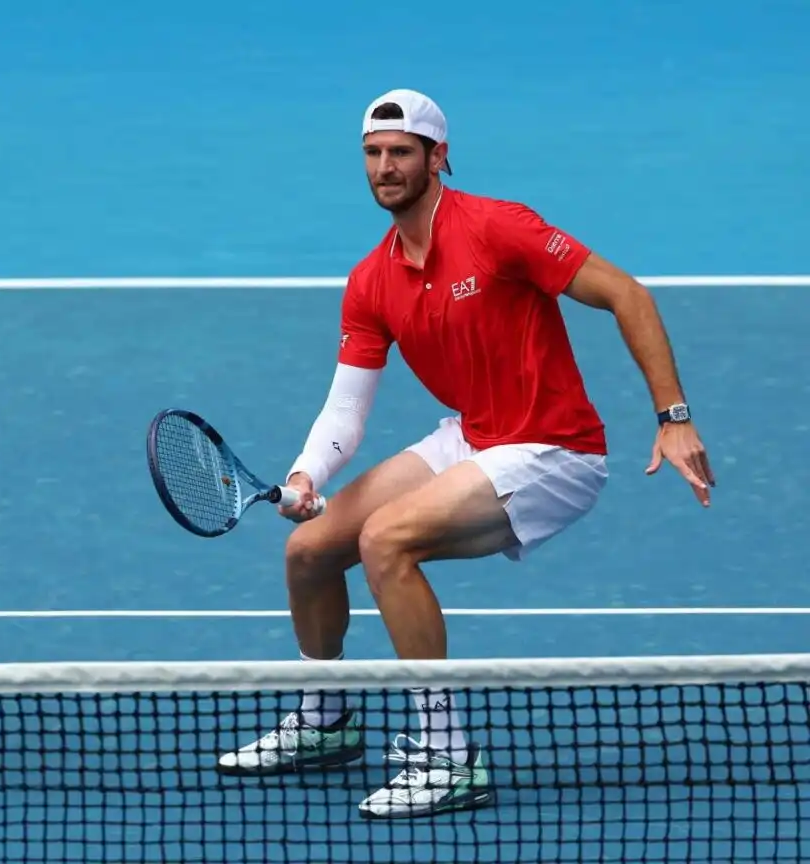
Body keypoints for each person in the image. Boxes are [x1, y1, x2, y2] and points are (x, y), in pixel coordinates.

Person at [213, 89, 714, 819]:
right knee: (312, 550)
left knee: (388, 540)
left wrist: (673, 417)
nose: (385, 168)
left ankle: (449, 757)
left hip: (555, 450)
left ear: (437, 157)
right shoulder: (370, 279)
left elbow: (627, 294)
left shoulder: (499, 228)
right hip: (475, 433)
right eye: (374, 154)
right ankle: (327, 722)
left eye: (402, 152)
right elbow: (347, 407)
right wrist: (306, 474)